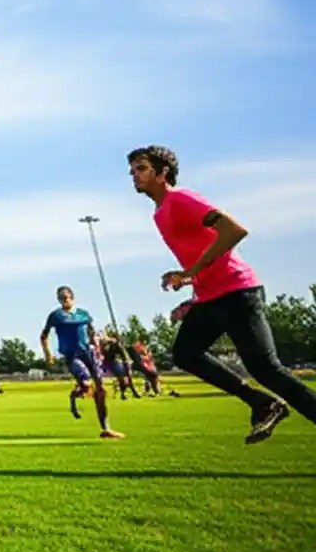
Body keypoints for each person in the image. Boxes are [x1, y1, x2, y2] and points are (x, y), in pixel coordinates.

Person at [128, 144, 316, 444]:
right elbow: (201, 252)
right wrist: (188, 282)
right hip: (211, 297)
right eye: (133, 170)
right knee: (185, 354)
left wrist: (191, 271)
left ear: (163, 173)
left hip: (238, 292)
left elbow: (234, 230)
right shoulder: (160, 213)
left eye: (141, 168)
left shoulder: (181, 199)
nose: (134, 175)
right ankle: (261, 403)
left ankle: (271, 403)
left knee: (266, 369)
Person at [40, 286, 124, 439]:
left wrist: (106, 341)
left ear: (72, 297)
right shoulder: (56, 316)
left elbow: (93, 334)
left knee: (101, 390)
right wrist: (48, 355)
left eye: (66, 296)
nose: (64, 299)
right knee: (86, 384)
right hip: (72, 356)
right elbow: (43, 336)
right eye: (60, 297)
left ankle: (106, 428)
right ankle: (76, 395)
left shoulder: (83, 314)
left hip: (89, 353)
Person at [99, 328, 140, 400]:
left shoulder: (118, 345)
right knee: (121, 378)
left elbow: (123, 355)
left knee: (128, 378)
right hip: (109, 362)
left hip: (118, 361)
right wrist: (111, 341)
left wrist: (126, 363)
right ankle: (124, 394)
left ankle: (133, 392)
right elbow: (105, 351)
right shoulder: (106, 344)